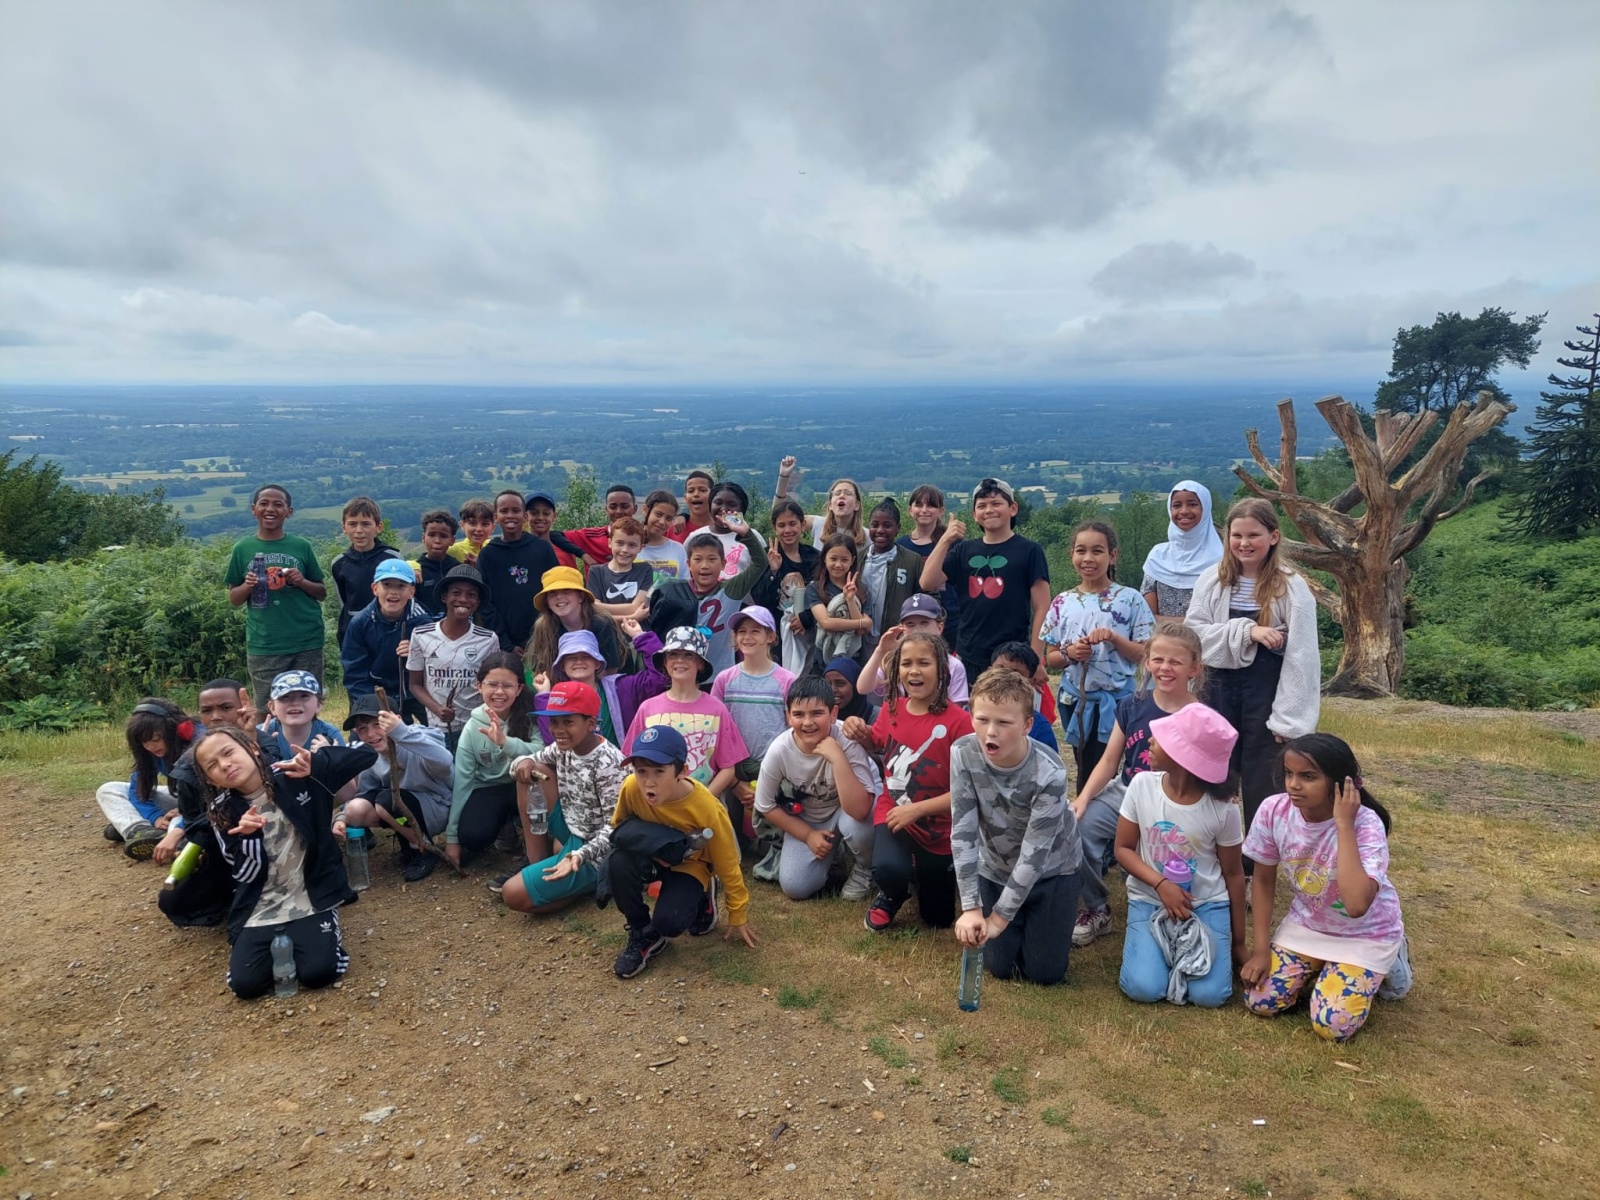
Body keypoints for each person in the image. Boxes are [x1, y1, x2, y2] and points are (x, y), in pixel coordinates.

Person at [1241, 734, 1408, 1042]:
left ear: (1341, 783)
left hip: (1365, 933)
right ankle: (1322, 966)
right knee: (1260, 1000)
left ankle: (1393, 958)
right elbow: (1263, 882)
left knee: (1333, 1025)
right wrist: (1261, 951)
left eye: (1308, 776)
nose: (1293, 784)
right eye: (1289, 774)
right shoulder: (1273, 811)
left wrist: (1343, 824)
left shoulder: (1364, 824)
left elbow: (1357, 905)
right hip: (1309, 924)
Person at [1186, 497, 1320, 873]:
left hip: (1268, 688)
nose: (1244, 543)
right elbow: (1195, 636)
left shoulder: (1293, 589)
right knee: (1214, 770)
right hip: (1218, 687)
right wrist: (1249, 631)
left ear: (1273, 536)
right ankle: (1209, 852)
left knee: (1264, 775)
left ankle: (1255, 865)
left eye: (1254, 535)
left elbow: (1303, 656)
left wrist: (1290, 719)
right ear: (1226, 536)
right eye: (1237, 535)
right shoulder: (1212, 580)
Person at [195, 726, 374, 999]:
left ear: (253, 749)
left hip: (311, 895)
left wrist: (318, 762)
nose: (225, 764)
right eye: (213, 765)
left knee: (319, 972)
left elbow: (367, 756)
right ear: (212, 780)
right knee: (245, 985)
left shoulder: (296, 775)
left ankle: (323, 928)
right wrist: (249, 838)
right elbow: (244, 874)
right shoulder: (221, 811)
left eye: (228, 752)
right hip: (259, 904)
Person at [1071, 620, 1206, 948]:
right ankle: (1097, 907)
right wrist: (1084, 798)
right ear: (1146, 662)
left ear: (1194, 668)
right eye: (1158, 659)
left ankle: (1168, 901)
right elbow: (1108, 761)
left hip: (1176, 798)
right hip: (1127, 789)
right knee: (1079, 826)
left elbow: (1208, 769)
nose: (1165, 667)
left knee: (1165, 851)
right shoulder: (1132, 705)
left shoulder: (1201, 714)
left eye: (1175, 661)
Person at [951, 667, 1082, 987]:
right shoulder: (963, 753)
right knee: (999, 967)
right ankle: (1021, 921)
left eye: (1004, 722)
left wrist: (997, 918)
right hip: (994, 866)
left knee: (1044, 973)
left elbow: (1035, 855)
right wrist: (970, 907)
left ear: (1027, 725)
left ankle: (1044, 918)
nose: (990, 732)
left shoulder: (1049, 773)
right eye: (982, 719)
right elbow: (963, 830)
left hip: (1054, 870)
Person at [1114, 703, 1245, 1008]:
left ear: (1185, 757)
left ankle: (1182, 953)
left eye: (1160, 738)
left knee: (1210, 996)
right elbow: (1123, 849)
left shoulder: (1223, 809)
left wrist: (1239, 944)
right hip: (1150, 899)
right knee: (1143, 987)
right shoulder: (1141, 786)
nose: (1149, 741)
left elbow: (1234, 874)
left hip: (1207, 904)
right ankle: (1167, 954)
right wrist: (1161, 886)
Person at [604, 726, 758, 979]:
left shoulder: (707, 807)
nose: (648, 781)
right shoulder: (631, 788)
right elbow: (619, 829)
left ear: (682, 772)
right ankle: (642, 933)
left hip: (690, 863)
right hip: (649, 856)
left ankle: (703, 895)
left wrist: (738, 913)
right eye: (641, 771)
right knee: (617, 862)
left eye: (659, 771)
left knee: (671, 923)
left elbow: (728, 862)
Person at [845, 629, 973, 932]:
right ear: (896, 670)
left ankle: (923, 876)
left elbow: (969, 791)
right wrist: (860, 731)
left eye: (924, 663)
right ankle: (892, 892)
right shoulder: (892, 708)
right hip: (893, 811)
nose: (914, 671)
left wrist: (917, 810)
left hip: (941, 829)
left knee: (937, 919)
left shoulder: (960, 722)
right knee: (888, 868)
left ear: (942, 669)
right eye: (906, 663)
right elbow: (877, 742)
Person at [1039, 521, 1155, 785]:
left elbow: (1146, 654)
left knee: (1117, 768)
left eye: (1097, 551)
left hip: (1119, 703)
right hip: (1077, 703)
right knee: (1085, 765)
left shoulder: (1130, 599)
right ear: (1072, 555)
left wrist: (1115, 639)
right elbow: (1052, 658)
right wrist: (1072, 653)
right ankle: (1085, 820)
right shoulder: (1062, 602)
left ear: (1112, 555)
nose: (1088, 558)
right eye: (1081, 551)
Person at [501, 681, 628, 914]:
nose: (559, 730)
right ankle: (537, 861)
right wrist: (523, 762)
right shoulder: (563, 747)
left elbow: (616, 829)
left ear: (590, 723)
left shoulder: (608, 764)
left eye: (568, 721)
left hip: (596, 849)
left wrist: (579, 855)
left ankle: (595, 881)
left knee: (512, 894)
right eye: (554, 722)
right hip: (573, 829)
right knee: (533, 770)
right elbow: (519, 766)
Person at [753, 677, 880, 901]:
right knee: (795, 887)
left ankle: (865, 867)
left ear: (833, 714)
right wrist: (808, 835)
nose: (808, 722)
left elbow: (860, 809)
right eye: (799, 714)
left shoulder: (846, 740)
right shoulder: (780, 750)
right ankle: (834, 852)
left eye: (817, 713)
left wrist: (838, 759)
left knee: (861, 825)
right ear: (788, 717)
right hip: (810, 815)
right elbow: (764, 805)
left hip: (848, 807)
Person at [919, 478, 1050, 682]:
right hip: (968, 654)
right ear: (974, 515)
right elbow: (927, 582)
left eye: (996, 503)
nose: (989, 510)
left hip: (1012, 658)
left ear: (1013, 508)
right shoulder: (964, 550)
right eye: (981, 506)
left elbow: (1042, 606)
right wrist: (946, 539)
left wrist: (1035, 657)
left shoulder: (1029, 550)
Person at [155, 679, 255, 929]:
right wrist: (196, 842)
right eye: (207, 711)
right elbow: (193, 823)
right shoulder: (189, 766)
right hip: (226, 849)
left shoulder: (265, 742)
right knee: (173, 900)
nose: (216, 717)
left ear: (242, 706)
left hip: (278, 846)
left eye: (225, 707)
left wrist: (251, 737)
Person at [225, 484, 328, 711]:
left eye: (278, 504)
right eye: (264, 503)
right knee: (267, 708)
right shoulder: (243, 549)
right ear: (254, 509)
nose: (270, 509)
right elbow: (234, 598)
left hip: (306, 639)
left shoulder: (301, 546)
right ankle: (269, 748)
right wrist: (248, 585)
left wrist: (301, 581)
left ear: (288, 512)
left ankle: (310, 747)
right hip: (265, 643)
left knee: (308, 705)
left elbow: (322, 593)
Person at [710, 608, 796, 873]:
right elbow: (716, 730)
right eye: (742, 631)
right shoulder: (725, 680)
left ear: (770, 636)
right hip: (733, 767)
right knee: (731, 826)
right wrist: (736, 783)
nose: (747, 637)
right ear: (734, 638)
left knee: (772, 817)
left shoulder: (786, 680)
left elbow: (791, 730)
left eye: (755, 631)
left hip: (773, 766)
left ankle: (774, 844)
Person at [337, 695, 453, 883]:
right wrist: (341, 818)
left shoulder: (417, 737)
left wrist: (401, 733)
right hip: (402, 808)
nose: (371, 734)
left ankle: (422, 848)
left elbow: (444, 761)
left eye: (377, 724)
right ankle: (409, 837)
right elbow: (366, 792)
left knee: (384, 802)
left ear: (395, 720)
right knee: (355, 810)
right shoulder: (372, 754)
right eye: (362, 729)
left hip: (438, 807)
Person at [622, 627, 750, 795]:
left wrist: (703, 802)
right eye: (673, 655)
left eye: (688, 655)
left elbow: (727, 768)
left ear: (700, 663)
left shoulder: (717, 709)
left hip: (703, 809)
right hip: (657, 807)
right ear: (665, 662)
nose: (679, 660)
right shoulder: (648, 708)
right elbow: (632, 760)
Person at [445, 652, 543, 868]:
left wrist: (504, 742)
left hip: (526, 785)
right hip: (490, 787)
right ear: (479, 686)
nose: (499, 692)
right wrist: (452, 839)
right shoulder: (472, 728)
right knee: (472, 836)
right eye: (492, 684)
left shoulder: (531, 715)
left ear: (519, 689)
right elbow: (463, 781)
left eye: (507, 686)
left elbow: (542, 751)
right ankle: (504, 825)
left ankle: (533, 843)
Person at [407, 564, 502, 750]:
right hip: (437, 730)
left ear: (478, 602)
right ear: (445, 597)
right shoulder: (421, 635)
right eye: (456, 593)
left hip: (475, 727)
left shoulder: (488, 640)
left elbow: (493, 684)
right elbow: (415, 684)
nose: (463, 599)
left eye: (471, 595)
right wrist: (436, 709)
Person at [97, 698, 197, 860]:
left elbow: (208, 800)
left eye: (155, 740)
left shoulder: (199, 743)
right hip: (181, 800)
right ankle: (142, 831)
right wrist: (155, 818)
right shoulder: (152, 752)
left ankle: (129, 828)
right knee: (109, 789)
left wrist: (183, 814)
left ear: (174, 730)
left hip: (200, 805)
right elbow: (138, 790)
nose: (150, 747)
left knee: (176, 830)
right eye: (144, 742)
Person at [340, 558, 434, 722]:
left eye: (401, 586)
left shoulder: (423, 622)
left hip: (418, 691)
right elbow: (354, 673)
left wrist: (418, 652)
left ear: (411, 592)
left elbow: (438, 661)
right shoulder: (360, 623)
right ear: (375, 588)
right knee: (375, 739)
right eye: (387, 585)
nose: (393, 592)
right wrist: (371, 706)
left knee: (436, 735)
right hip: (379, 692)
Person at [476, 490, 560, 653]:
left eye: (516, 510)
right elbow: (486, 602)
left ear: (525, 516)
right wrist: (505, 643)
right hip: (505, 641)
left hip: (544, 636)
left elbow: (556, 589)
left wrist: (548, 632)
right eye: (504, 511)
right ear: (495, 517)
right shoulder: (488, 554)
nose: (510, 515)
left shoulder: (542, 548)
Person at [682, 519, 766, 673]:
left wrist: (746, 533)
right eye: (698, 559)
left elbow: (760, 563)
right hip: (684, 671)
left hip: (721, 673)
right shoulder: (678, 591)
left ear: (723, 563)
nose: (705, 565)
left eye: (712, 559)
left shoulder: (731, 589)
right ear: (688, 564)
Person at [856, 594, 970, 706]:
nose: (917, 629)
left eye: (924, 623)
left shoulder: (953, 665)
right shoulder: (892, 659)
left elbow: (957, 711)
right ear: (902, 628)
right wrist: (880, 651)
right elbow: (863, 688)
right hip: (898, 721)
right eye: (910, 624)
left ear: (939, 627)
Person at [750, 500, 822, 672]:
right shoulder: (765, 558)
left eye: (792, 524)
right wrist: (773, 572)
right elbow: (760, 601)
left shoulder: (815, 558)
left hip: (810, 635)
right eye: (781, 525)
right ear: (775, 528)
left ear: (803, 525)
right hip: (776, 638)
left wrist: (807, 617)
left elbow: (825, 594)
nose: (787, 530)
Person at [1141, 481, 1224, 618]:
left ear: (1205, 508)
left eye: (1192, 504)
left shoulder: (1222, 560)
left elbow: (1220, 617)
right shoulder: (1157, 556)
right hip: (1161, 638)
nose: (1184, 511)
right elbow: (1147, 617)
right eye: (1177, 505)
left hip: (1208, 639)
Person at [329, 496, 404, 645]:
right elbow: (344, 603)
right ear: (344, 528)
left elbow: (404, 596)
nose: (359, 531)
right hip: (354, 632)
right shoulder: (339, 563)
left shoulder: (393, 559)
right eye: (352, 524)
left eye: (365, 524)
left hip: (388, 630)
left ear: (378, 527)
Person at [527, 566, 625, 679]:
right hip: (562, 686)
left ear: (581, 596)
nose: (559, 596)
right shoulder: (543, 626)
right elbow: (540, 670)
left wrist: (584, 688)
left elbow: (611, 668)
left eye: (566, 591)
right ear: (547, 602)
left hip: (603, 683)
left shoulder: (601, 622)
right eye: (552, 593)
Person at [859, 498, 926, 658]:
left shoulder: (912, 560)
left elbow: (926, 596)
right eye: (875, 525)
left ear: (898, 529)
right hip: (861, 640)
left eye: (887, 525)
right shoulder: (858, 558)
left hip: (897, 639)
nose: (880, 530)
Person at [899, 484, 960, 637]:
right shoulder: (900, 546)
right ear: (910, 510)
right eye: (919, 504)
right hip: (912, 620)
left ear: (941, 511)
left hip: (950, 620)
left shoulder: (954, 543)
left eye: (931, 505)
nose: (925, 510)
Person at [807, 533, 872, 666]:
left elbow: (860, 632)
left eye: (844, 560)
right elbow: (826, 623)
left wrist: (850, 600)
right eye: (833, 558)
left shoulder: (862, 590)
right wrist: (862, 623)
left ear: (852, 561)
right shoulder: (815, 588)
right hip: (823, 660)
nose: (838, 564)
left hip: (855, 659)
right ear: (825, 558)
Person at [771, 457, 866, 548]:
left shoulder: (867, 537)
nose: (841, 496)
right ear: (830, 505)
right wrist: (784, 477)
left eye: (847, 493)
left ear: (857, 505)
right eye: (837, 493)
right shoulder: (819, 524)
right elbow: (779, 514)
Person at [258, 670, 345, 763]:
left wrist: (330, 758)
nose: (295, 703)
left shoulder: (330, 735)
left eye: (304, 696)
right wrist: (257, 751)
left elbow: (350, 776)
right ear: (272, 707)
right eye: (285, 697)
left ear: (319, 704)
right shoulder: (260, 734)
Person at [989, 643, 1058, 750]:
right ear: (989, 671)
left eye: (1015, 672)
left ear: (1030, 681)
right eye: (1000, 668)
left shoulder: (1039, 726)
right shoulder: (972, 714)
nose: (1006, 676)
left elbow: (1048, 763)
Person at [587, 516, 654, 620]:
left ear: (640, 548)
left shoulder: (645, 570)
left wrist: (601, 608)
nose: (625, 550)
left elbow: (637, 606)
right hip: (607, 634)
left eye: (632, 545)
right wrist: (633, 617)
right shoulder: (596, 572)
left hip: (637, 633)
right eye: (620, 543)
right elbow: (593, 610)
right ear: (610, 543)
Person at [707, 481, 768, 581]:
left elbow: (763, 568)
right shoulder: (697, 536)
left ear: (742, 509)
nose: (723, 509)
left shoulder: (752, 536)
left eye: (732, 504)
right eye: (718, 503)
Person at [636, 489, 690, 582]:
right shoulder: (631, 546)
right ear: (645, 510)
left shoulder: (678, 549)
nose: (662, 522)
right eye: (658, 514)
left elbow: (685, 584)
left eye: (668, 518)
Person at [416, 508, 459, 613]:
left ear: (452, 540)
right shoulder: (416, 572)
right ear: (423, 537)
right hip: (424, 627)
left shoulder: (458, 569)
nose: (437, 541)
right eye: (431, 535)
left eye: (443, 536)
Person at [823, 656, 878, 725]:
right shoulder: (821, 716)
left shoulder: (879, 717)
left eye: (840, 683)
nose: (832, 690)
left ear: (855, 685)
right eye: (827, 684)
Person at [447, 498, 496, 565]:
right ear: (462, 525)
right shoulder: (451, 551)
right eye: (473, 523)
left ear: (493, 527)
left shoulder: (496, 549)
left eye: (485, 524)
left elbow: (513, 572)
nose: (479, 529)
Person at [678, 470, 715, 539]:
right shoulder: (674, 528)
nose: (696, 494)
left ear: (713, 495)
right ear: (685, 498)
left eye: (702, 490)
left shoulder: (723, 529)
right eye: (691, 491)